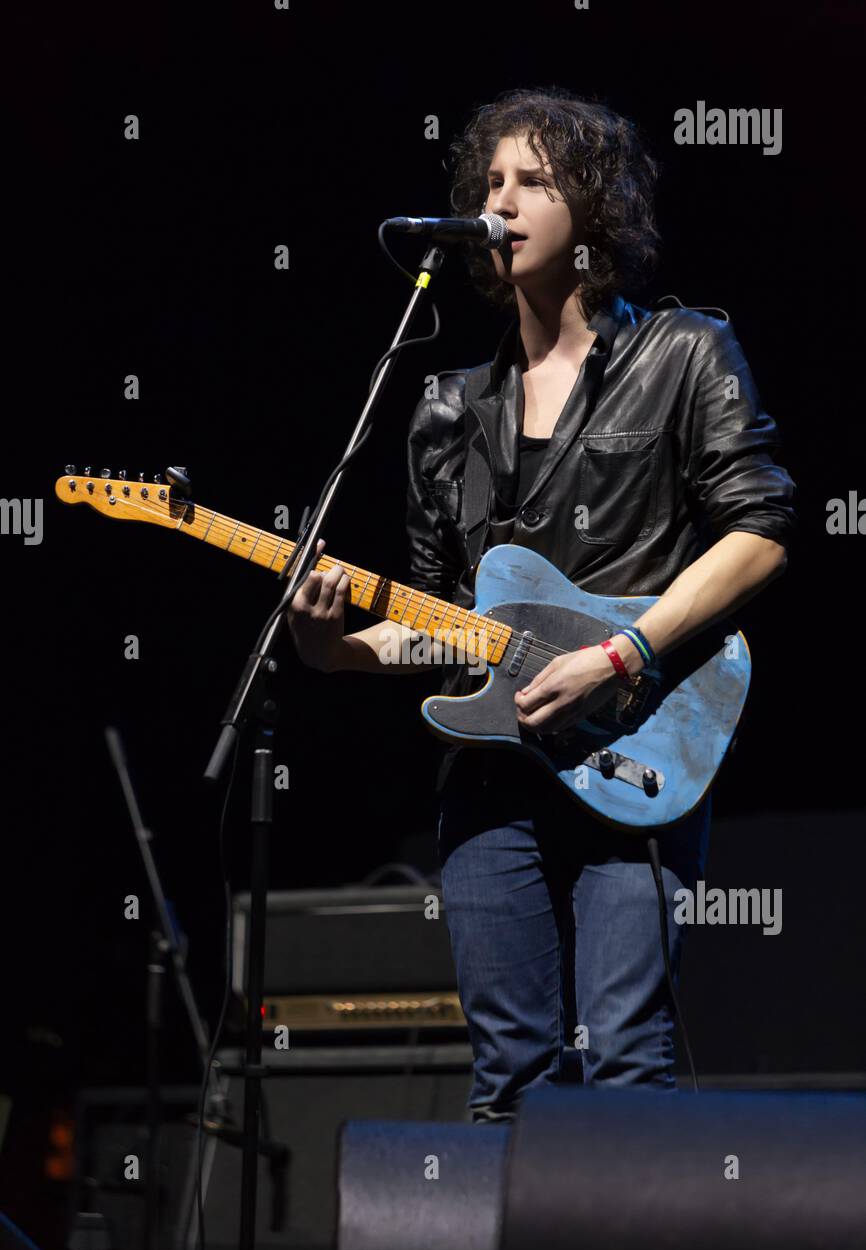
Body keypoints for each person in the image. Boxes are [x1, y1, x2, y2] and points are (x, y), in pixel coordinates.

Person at [287, 87, 796, 1122]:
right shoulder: (442, 407)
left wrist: (616, 657)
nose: (499, 201)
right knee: (507, 1076)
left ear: (594, 206)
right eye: (487, 182)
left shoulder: (683, 353)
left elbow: (761, 530)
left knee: (623, 1062)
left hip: (634, 742)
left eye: (530, 179)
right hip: (489, 772)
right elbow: (434, 616)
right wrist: (332, 648)